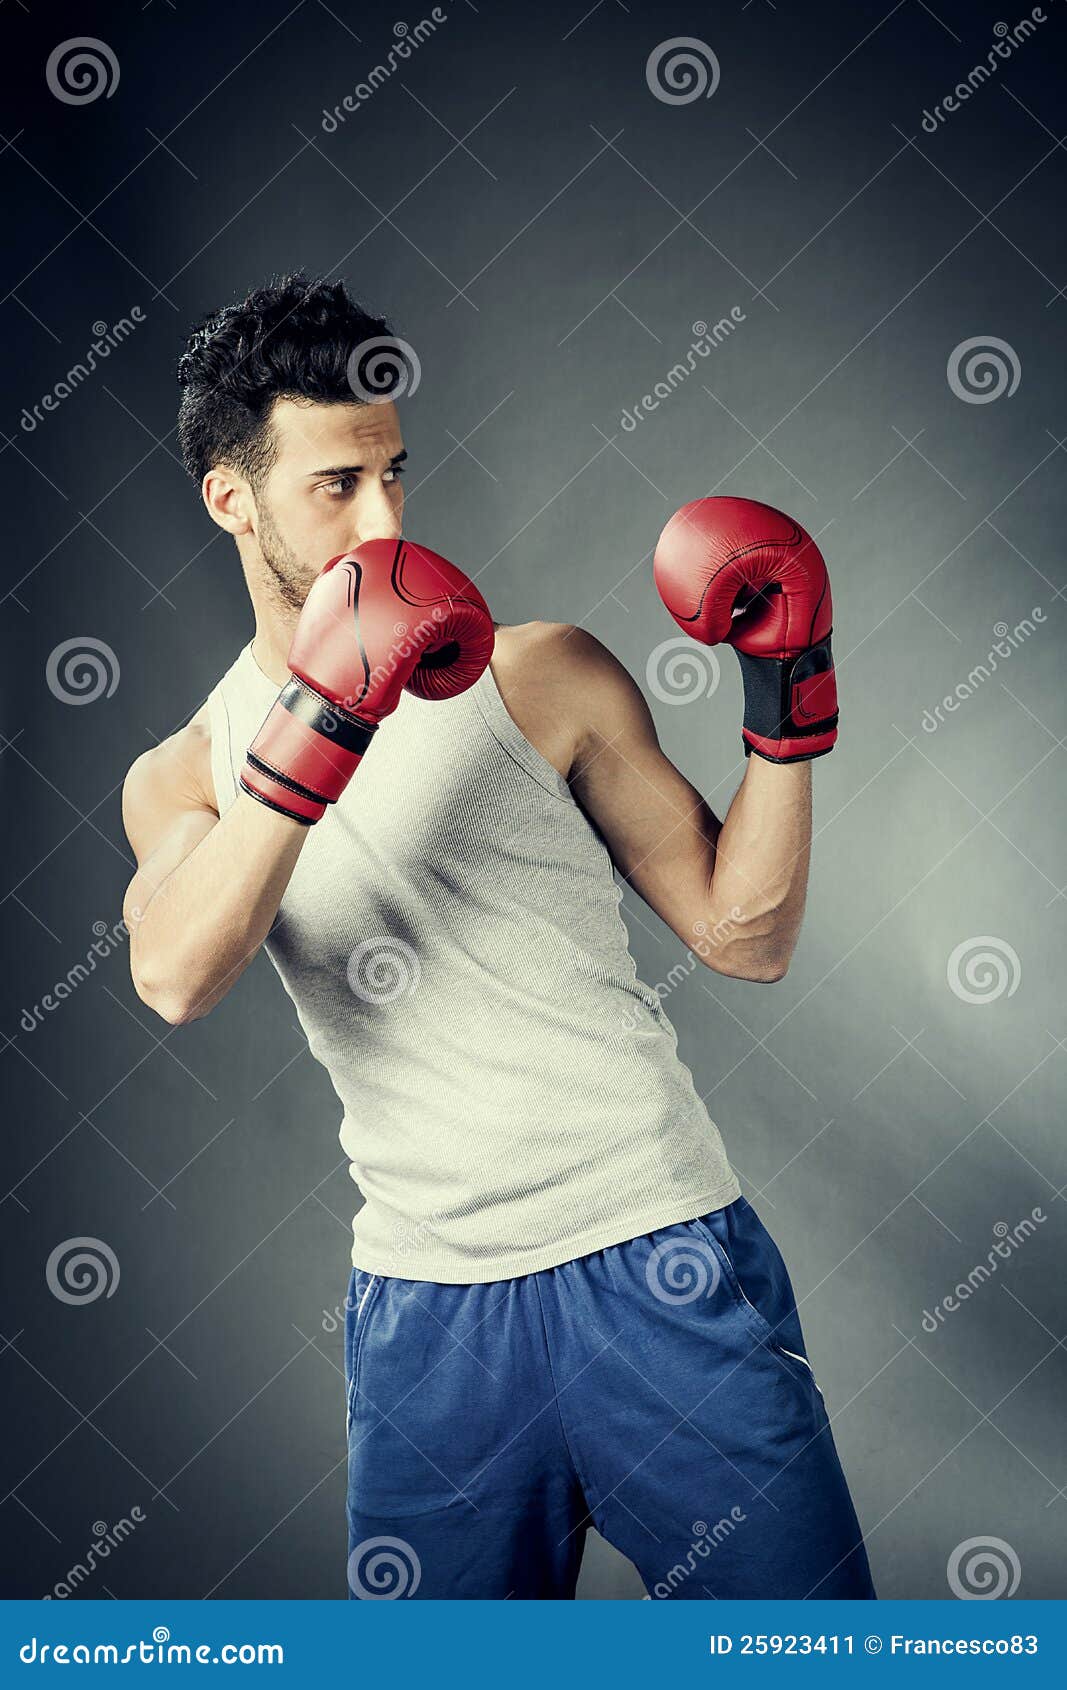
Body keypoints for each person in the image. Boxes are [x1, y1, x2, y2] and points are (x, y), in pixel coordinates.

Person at [122, 271, 873, 1601]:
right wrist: (323, 715)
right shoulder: (187, 771)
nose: (386, 514)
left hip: (662, 1255)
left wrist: (786, 688)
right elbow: (177, 971)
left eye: (394, 472)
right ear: (229, 499)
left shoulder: (540, 671)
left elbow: (744, 936)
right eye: (335, 486)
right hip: (432, 1324)